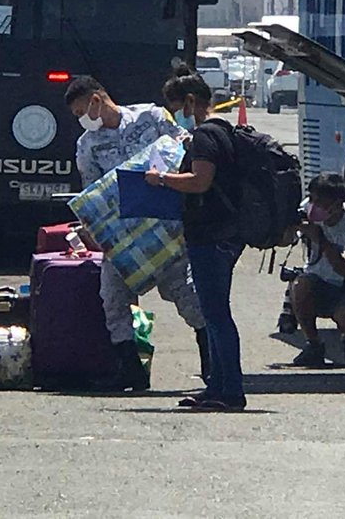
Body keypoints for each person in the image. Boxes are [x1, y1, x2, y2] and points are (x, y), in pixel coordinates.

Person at [66, 74, 208, 392]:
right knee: (112, 298)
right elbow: (92, 191)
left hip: (164, 226)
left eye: (81, 112)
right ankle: (130, 369)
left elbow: (185, 145)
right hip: (122, 234)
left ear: (96, 100)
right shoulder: (87, 145)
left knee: (185, 294)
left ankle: (212, 361)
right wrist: (91, 227)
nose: (82, 120)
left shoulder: (151, 117)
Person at [147, 67, 246, 412]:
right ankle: (217, 385)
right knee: (213, 312)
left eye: (177, 108)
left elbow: (200, 181)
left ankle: (230, 390)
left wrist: (162, 179)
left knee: (216, 315)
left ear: (190, 102)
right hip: (224, 233)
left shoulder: (205, 135)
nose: (177, 116)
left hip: (212, 235)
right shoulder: (222, 131)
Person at [290, 173, 345, 369]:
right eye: (311, 198)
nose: (313, 205)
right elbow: (286, 237)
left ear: (337, 204)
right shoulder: (307, 210)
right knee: (300, 285)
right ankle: (314, 345)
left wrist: (322, 241)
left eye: (319, 201)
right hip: (319, 282)